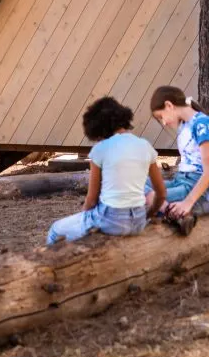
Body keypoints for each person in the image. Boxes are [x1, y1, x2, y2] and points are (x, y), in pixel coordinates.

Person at [46, 96, 166, 245]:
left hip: (111, 219)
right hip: (139, 220)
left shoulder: (100, 149)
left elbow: (91, 200)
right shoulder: (145, 145)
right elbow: (161, 193)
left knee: (55, 230)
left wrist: (85, 218)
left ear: (99, 128)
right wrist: (150, 213)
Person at [148, 85, 209, 226]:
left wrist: (187, 203)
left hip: (198, 192)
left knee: (144, 198)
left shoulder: (201, 124)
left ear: (169, 105)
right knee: (139, 184)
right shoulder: (185, 126)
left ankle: (174, 211)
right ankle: (171, 212)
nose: (164, 122)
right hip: (181, 182)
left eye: (161, 116)